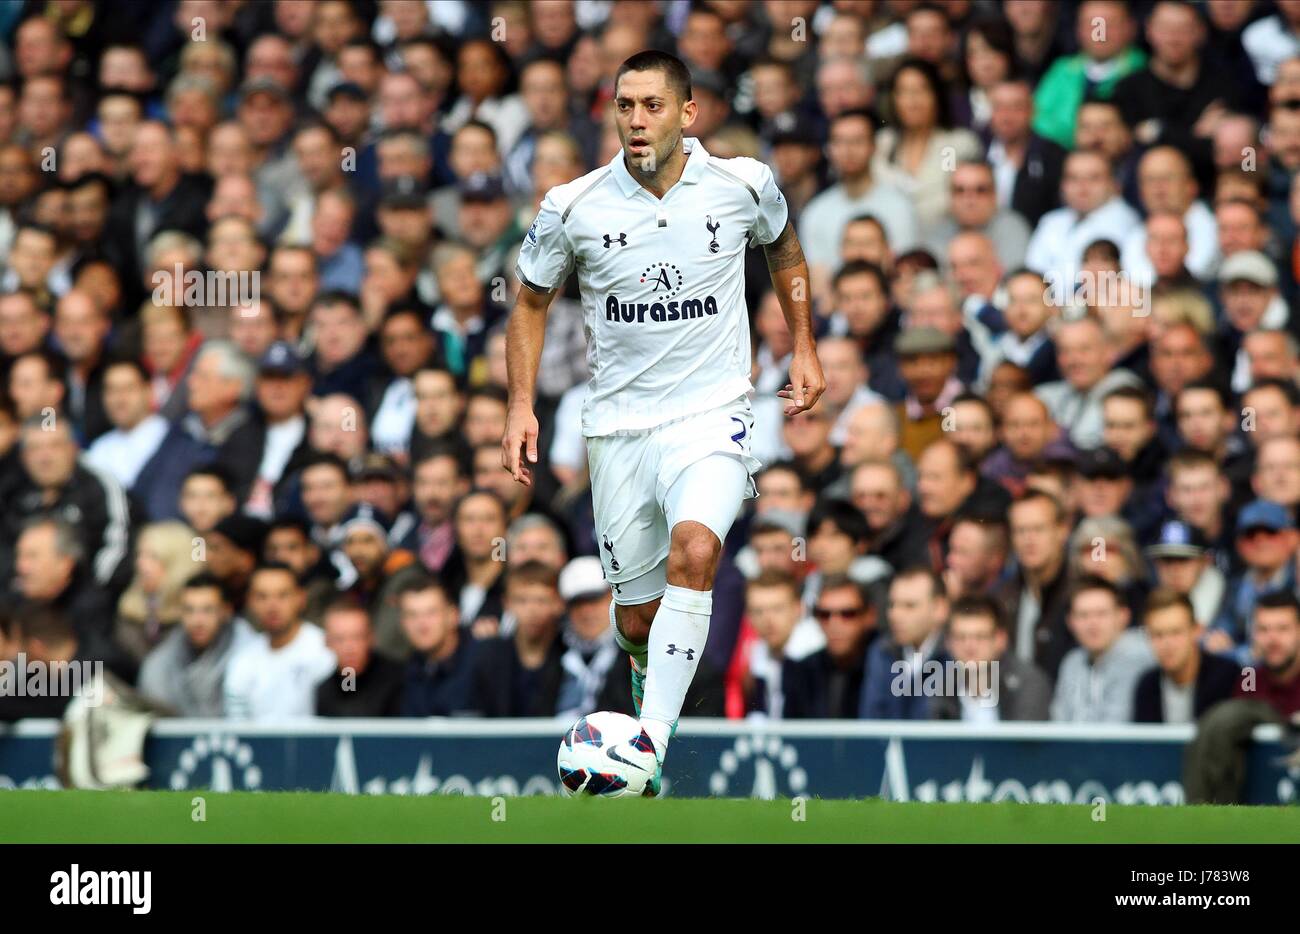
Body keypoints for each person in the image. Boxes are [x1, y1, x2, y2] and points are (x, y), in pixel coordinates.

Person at [505, 51, 825, 794]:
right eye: (625, 105)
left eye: (652, 105)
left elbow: (783, 244)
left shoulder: (743, 183)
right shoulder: (573, 205)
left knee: (696, 548)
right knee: (638, 618)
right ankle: (647, 669)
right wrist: (519, 404)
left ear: (688, 113)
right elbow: (528, 301)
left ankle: (647, 746)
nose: (637, 119)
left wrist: (804, 342)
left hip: (713, 413)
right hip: (618, 429)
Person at [223, 563, 336, 721]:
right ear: (249, 602)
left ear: (301, 598)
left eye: (282, 595)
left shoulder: (326, 651)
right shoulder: (242, 660)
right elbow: (237, 724)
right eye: (262, 596)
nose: (272, 606)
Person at [137, 573, 258, 717]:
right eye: (189, 610)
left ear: (226, 611)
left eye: (207, 610)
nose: (197, 621)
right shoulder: (158, 666)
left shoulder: (252, 656)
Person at [930, 594, 1052, 721]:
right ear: (948, 642)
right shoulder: (938, 686)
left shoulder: (1028, 685)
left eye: (980, 637)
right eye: (961, 637)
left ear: (1001, 639)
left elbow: (1025, 739)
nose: (969, 647)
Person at [1050, 576, 1155, 723]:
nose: (1092, 624)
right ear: (1070, 622)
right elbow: (1058, 722)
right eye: (1083, 615)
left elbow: (1115, 732)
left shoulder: (1140, 656)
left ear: (1123, 616)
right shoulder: (1072, 662)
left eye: (1101, 614)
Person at [470, 560, 567, 717]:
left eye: (541, 600)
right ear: (507, 604)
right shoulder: (487, 657)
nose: (532, 610)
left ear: (558, 604)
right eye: (521, 600)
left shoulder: (571, 657)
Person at [1134, 588, 1239, 724]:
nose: (1167, 644)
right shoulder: (1147, 685)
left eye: (1175, 632)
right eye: (1157, 635)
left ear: (1197, 631)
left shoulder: (1229, 677)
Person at [781, 573, 877, 719]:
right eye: (825, 614)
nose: (834, 624)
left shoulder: (886, 668)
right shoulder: (802, 671)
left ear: (869, 616)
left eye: (848, 614)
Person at [862, 565, 950, 719]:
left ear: (939, 608)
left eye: (909, 606)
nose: (895, 615)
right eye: (892, 605)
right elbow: (871, 720)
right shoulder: (881, 652)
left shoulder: (956, 654)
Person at [397, 573, 481, 717]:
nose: (422, 624)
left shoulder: (484, 663)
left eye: (431, 613)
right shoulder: (403, 675)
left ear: (453, 616)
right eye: (412, 615)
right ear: (402, 623)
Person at [315, 596, 405, 718]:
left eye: (357, 637)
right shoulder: (325, 691)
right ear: (327, 642)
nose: (349, 648)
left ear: (371, 638)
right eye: (340, 639)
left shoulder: (400, 680)